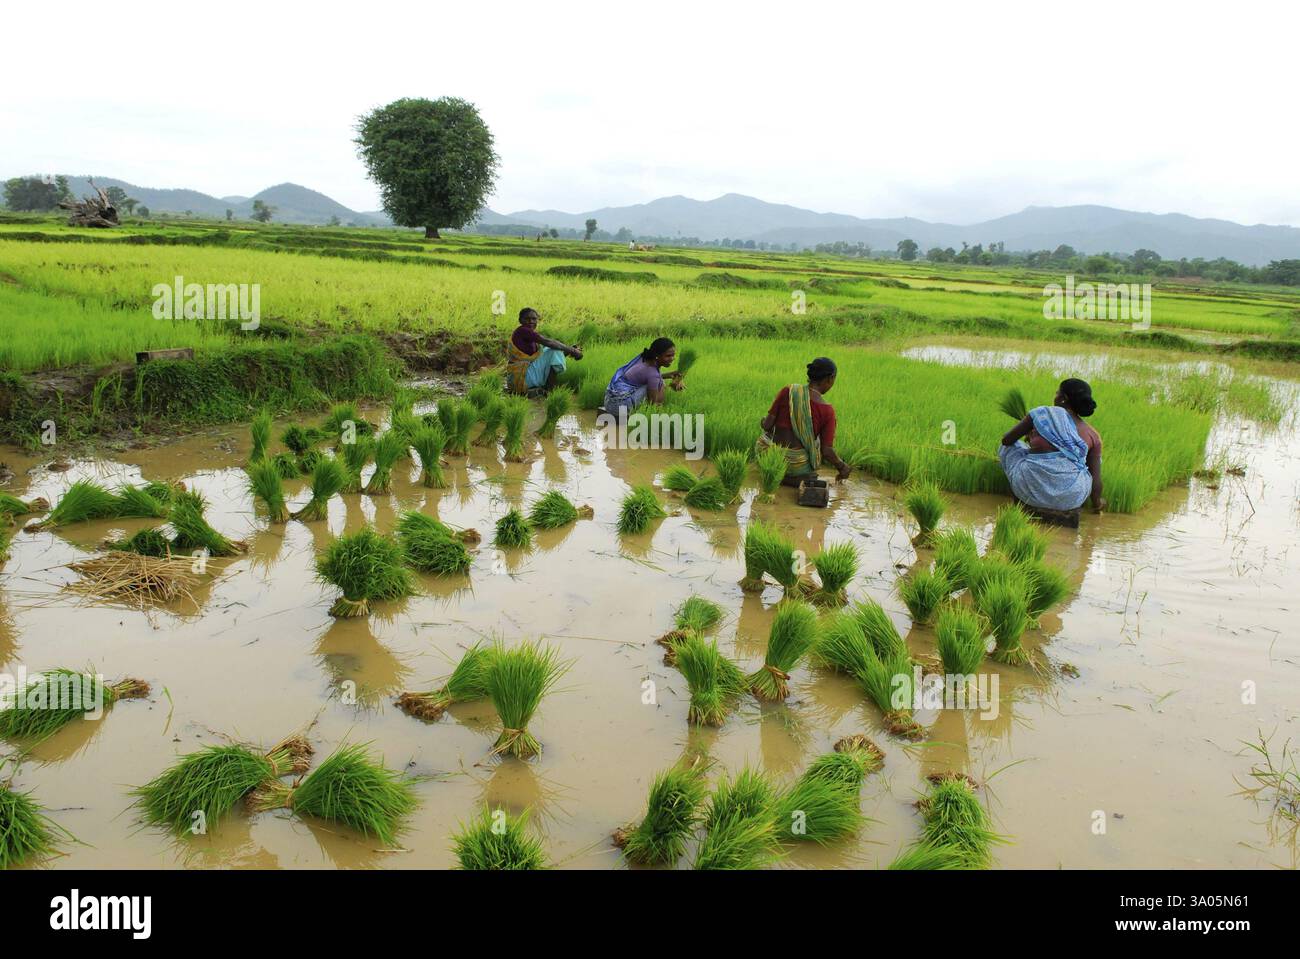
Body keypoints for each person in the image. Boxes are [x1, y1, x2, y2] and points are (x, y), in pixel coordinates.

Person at [999, 377, 1105, 513]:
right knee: (1088, 462)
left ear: (1063, 398)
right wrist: (1098, 503)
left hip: (1029, 491)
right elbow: (1095, 482)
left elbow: (1006, 440)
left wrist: (1032, 438)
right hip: (1071, 499)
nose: (1054, 396)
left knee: (1010, 447)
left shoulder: (1041, 414)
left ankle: (1021, 490)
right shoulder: (1093, 435)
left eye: (1057, 393)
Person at [757, 357, 852, 485]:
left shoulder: (788, 391)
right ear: (830, 378)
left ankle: (773, 475)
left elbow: (767, 425)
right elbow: (826, 451)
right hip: (797, 468)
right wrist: (842, 466)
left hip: (771, 460)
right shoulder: (827, 411)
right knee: (816, 442)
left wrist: (763, 421)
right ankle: (795, 478)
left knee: (765, 439)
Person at [602, 337, 684, 418]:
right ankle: (659, 412)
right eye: (668, 356)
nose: (672, 359)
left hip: (609, 402)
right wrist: (671, 386)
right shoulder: (653, 374)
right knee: (660, 383)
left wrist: (669, 375)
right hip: (618, 409)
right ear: (657, 355)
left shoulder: (644, 359)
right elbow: (653, 403)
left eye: (673, 355)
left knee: (659, 381)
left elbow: (648, 377)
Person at [507, 307, 582, 395]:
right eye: (527, 319)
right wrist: (573, 350)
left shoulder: (525, 333)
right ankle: (550, 391)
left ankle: (545, 389)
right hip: (523, 378)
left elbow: (542, 356)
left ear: (537, 320)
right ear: (520, 321)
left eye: (534, 319)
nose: (531, 321)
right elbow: (548, 342)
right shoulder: (523, 331)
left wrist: (568, 351)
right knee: (554, 350)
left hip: (520, 377)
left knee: (551, 350)